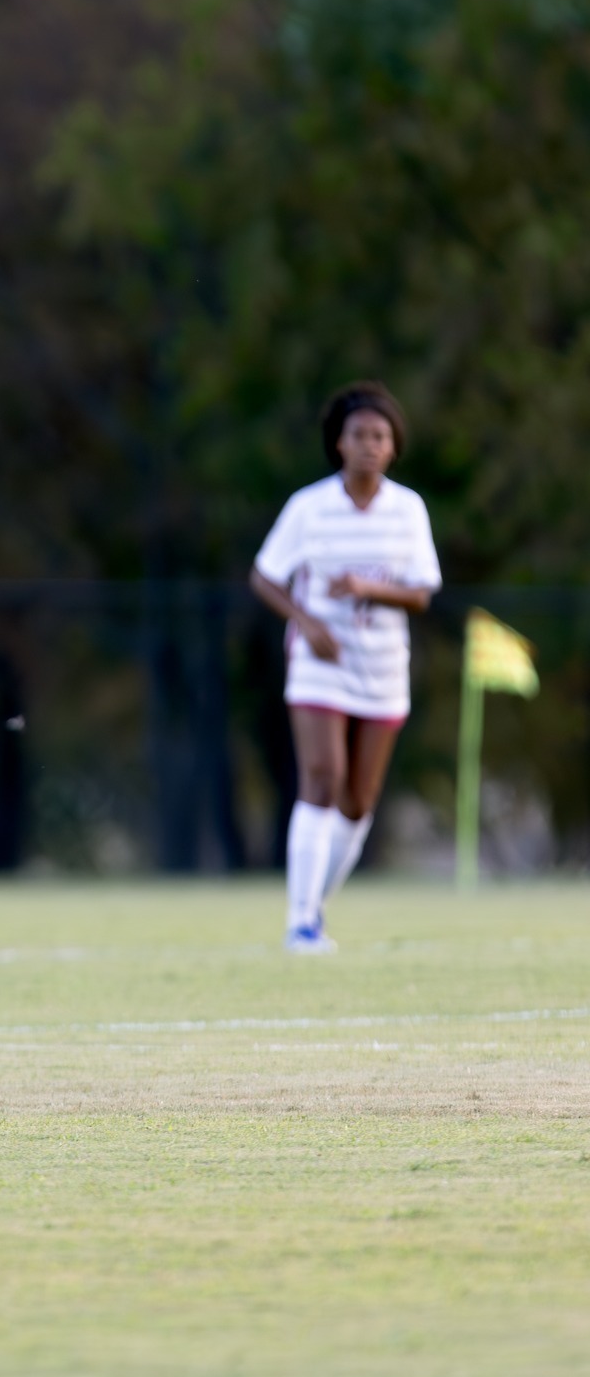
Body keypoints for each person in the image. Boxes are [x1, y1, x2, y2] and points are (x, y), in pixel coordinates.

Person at [250, 382, 440, 953]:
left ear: (394, 447)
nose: (369, 445)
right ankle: (300, 922)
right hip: (319, 664)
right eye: (359, 435)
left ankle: (314, 905)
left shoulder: (407, 510)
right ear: (339, 443)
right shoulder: (309, 507)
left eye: (380, 436)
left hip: (382, 668)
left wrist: (367, 588)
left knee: (358, 802)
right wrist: (306, 622)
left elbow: (421, 594)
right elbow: (265, 576)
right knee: (322, 776)